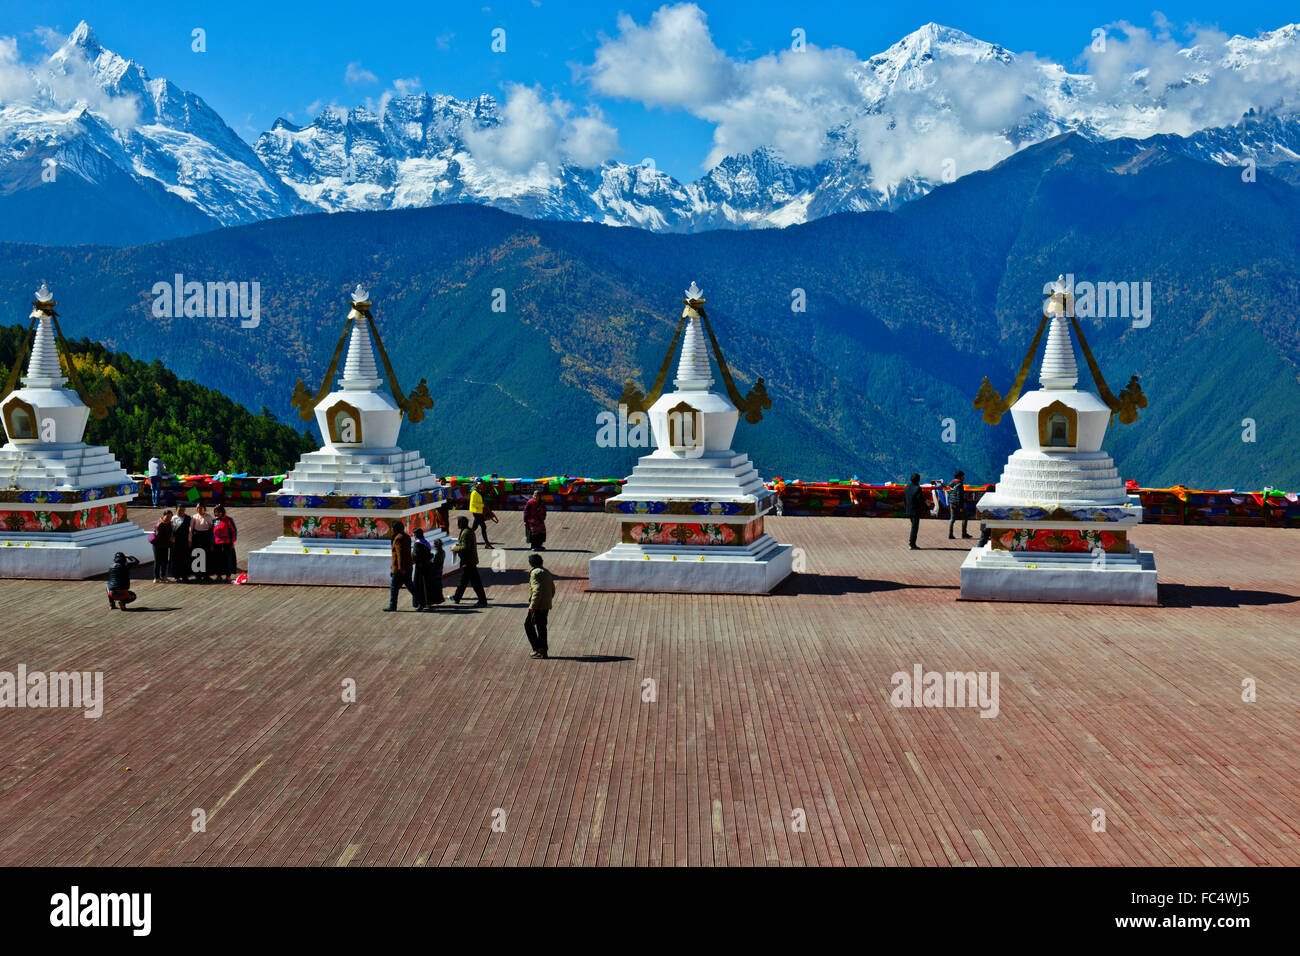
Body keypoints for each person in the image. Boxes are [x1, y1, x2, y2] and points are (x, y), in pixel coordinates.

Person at [524, 553, 555, 659]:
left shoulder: (535, 573)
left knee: (528, 625)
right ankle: (543, 650)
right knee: (542, 628)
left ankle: (537, 649)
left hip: (538, 606)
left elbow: (536, 590)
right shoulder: (546, 572)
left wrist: (532, 606)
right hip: (545, 605)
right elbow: (552, 589)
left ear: (531, 564)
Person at [451, 516, 487, 606]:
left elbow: (465, 548)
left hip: (468, 561)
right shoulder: (467, 531)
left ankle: (482, 601)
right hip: (469, 561)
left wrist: (455, 548)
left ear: (460, 523)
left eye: (457, 522)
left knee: (475, 583)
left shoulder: (466, 533)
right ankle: (457, 597)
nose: (456, 524)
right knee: (464, 581)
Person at [385, 521, 419, 611]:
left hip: (400, 569)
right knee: (410, 586)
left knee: (394, 588)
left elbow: (400, 554)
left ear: (395, 529)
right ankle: (421, 601)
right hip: (407, 567)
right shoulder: (406, 537)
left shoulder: (398, 538)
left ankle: (393, 605)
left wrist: (400, 568)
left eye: (392, 528)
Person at [212, 505, 237, 582]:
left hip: (227, 543)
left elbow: (234, 531)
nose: (218, 513)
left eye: (219, 512)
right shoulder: (215, 521)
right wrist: (212, 543)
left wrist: (233, 541)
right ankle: (219, 575)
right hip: (217, 544)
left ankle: (228, 576)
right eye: (216, 512)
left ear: (222, 512)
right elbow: (212, 533)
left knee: (228, 559)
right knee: (218, 559)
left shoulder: (228, 520)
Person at [411, 527, 434, 609]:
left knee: (419, 585)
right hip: (427, 566)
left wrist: (412, 560)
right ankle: (428, 602)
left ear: (416, 535)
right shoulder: (425, 542)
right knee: (426, 584)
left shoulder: (417, 544)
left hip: (420, 567)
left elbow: (415, 556)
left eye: (414, 534)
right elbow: (429, 554)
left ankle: (420, 603)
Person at [190, 503, 214, 582]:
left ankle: (206, 575)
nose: (199, 510)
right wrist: (189, 540)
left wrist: (211, 542)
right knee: (197, 556)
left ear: (204, 508)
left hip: (206, 537)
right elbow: (191, 529)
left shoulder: (209, 516)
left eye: (200, 508)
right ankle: (198, 575)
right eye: (197, 508)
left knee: (207, 556)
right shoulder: (194, 517)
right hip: (197, 537)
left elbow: (212, 529)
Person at [468, 479, 495, 549]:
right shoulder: (474, 493)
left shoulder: (479, 491)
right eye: (479, 484)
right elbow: (473, 504)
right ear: (476, 484)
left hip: (479, 511)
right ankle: (487, 543)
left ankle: (464, 538)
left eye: (481, 484)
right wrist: (482, 505)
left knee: (474, 528)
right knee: (483, 527)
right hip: (476, 512)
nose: (480, 485)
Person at [169, 505, 192, 582]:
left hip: (184, 541)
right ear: (176, 510)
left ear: (184, 510)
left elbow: (190, 531)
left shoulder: (188, 519)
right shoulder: (172, 518)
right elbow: (170, 530)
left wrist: (189, 540)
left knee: (185, 559)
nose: (180, 511)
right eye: (179, 510)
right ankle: (176, 576)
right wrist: (171, 538)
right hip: (175, 542)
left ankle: (185, 576)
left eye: (182, 510)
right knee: (175, 559)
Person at [947, 469, 972, 540]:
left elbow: (949, 493)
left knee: (952, 519)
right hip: (958, 503)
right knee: (965, 517)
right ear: (959, 477)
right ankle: (964, 533)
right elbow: (959, 496)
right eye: (962, 476)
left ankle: (950, 534)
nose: (963, 478)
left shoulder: (951, 483)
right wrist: (961, 506)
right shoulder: (960, 484)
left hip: (951, 502)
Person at [904, 473, 925, 550]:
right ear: (918, 480)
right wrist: (926, 508)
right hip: (915, 510)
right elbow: (920, 500)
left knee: (913, 526)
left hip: (908, 509)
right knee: (914, 527)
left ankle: (912, 543)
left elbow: (905, 498)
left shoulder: (907, 487)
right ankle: (912, 543)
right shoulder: (918, 488)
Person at [151, 510, 173, 582]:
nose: (169, 518)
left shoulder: (169, 523)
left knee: (165, 561)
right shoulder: (160, 524)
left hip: (165, 545)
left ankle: (163, 576)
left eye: (170, 516)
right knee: (157, 561)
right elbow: (159, 536)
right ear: (164, 516)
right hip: (157, 545)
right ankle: (156, 577)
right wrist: (170, 538)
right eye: (168, 516)